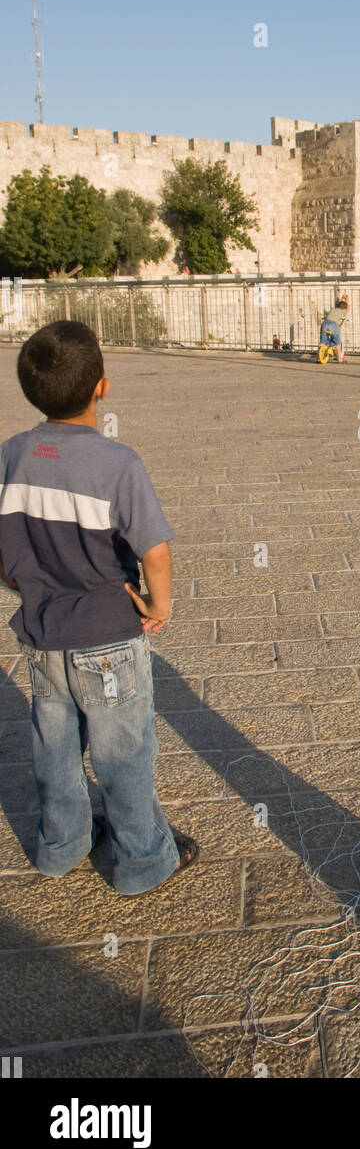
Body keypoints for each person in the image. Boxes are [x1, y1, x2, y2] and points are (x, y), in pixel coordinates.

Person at [0, 321, 198, 895]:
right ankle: (143, 859)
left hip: (42, 637)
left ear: (31, 391)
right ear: (102, 388)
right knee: (123, 751)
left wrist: (23, 582)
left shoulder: (12, 455)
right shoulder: (116, 462)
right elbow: (154, 550)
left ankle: (61, 846)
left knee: (54, 746)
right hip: (109, 637)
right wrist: (159, 605)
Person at [318, 294, 349, 363]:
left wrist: (342, 298)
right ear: (344, 308)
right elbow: (347, 308)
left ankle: (318, 358)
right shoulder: (343, 311)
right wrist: (347, 300)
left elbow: (339, 305)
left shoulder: (333, 309)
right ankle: (340, 359)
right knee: (338, 343)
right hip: (334, 325)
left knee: (322, 342)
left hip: (325, 323)